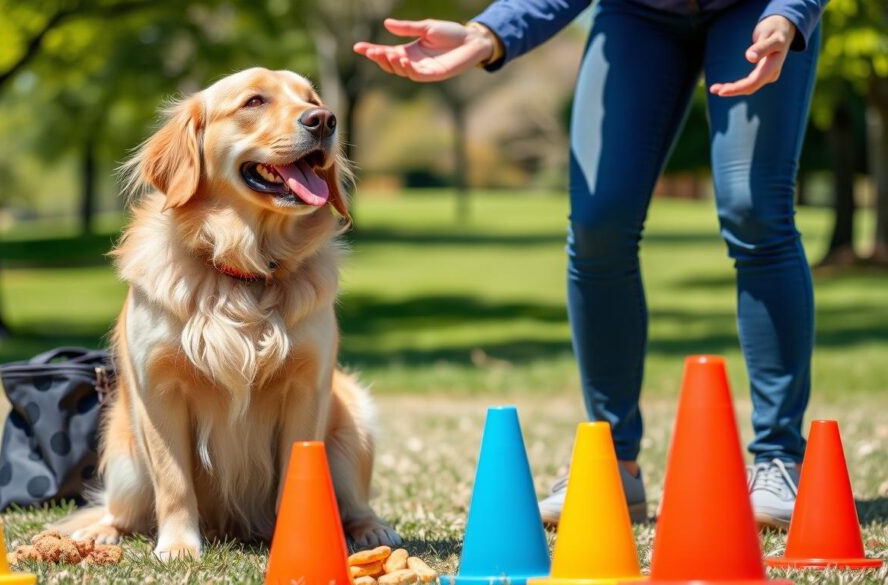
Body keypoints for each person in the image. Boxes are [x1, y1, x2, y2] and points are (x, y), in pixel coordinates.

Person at [354, 0, 826, 529]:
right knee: (598, 223)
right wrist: (487, 33)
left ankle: (779, 457)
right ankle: (612, 462)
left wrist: (789, 13)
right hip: (640, 16)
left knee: (754, 210)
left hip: (757, 10)